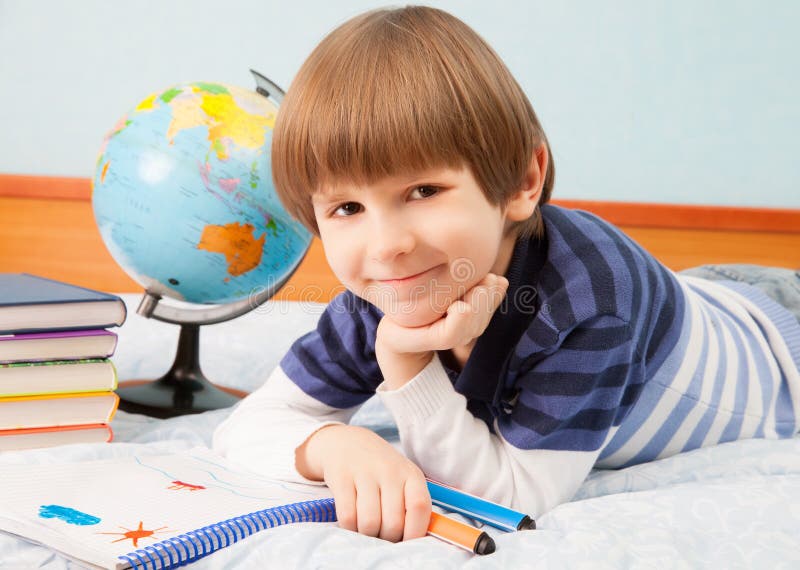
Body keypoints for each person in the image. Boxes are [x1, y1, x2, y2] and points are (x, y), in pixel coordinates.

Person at [213, 5, 800, 544]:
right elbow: (246, 428)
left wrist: (407, 363)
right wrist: (329, 444)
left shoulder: (589, 303)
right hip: (705, 291)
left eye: (423, 190)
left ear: (523, 182)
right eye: (347, 209)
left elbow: (509, 500)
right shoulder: (382, 295)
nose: (387, 246)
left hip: (777, 345)